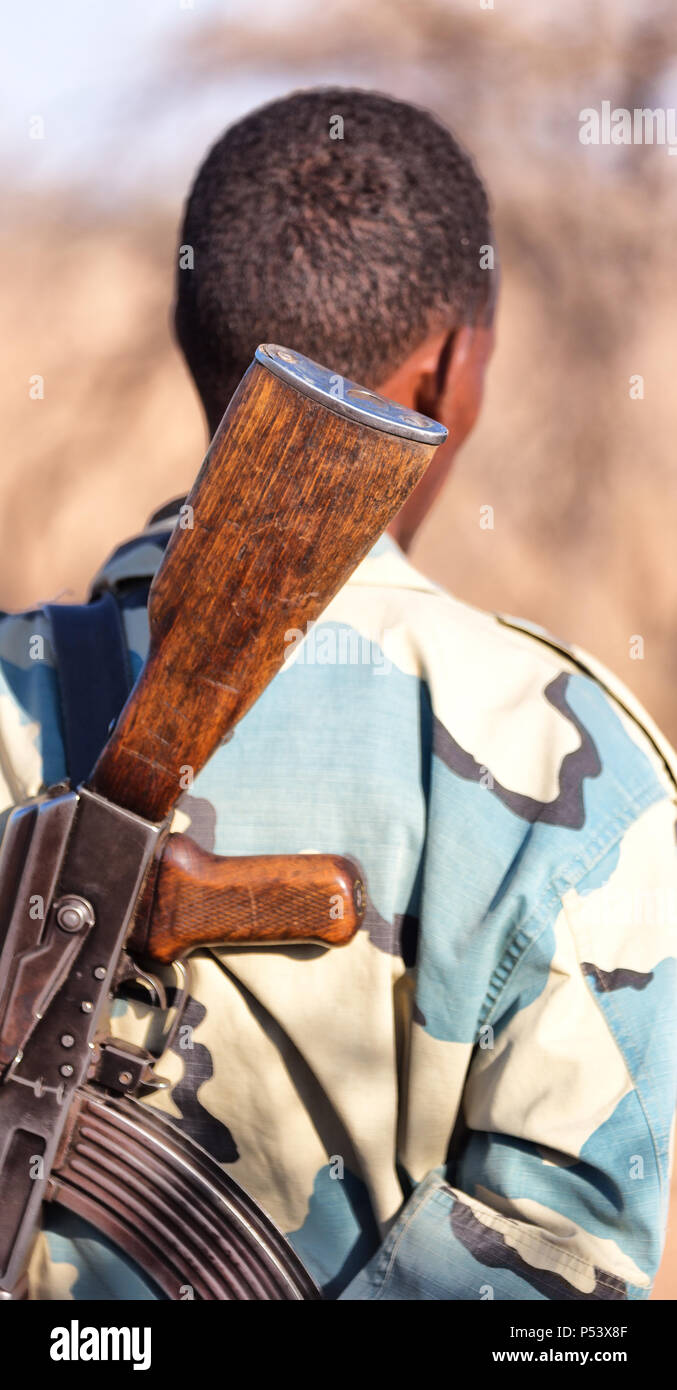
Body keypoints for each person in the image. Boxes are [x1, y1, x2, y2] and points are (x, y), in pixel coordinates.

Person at [5, 88, 675, 1300]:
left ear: (183, 333)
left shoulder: (17, 692)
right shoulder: (564, 758)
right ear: (452, 372)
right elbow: (556, 1298)